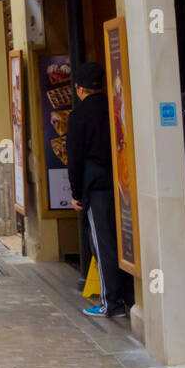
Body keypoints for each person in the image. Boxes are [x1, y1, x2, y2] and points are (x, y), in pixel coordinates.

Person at [67, 62, 135, 317]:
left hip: (96, 188)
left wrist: (75, 193)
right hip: (122, 184)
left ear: (79, 88)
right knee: (123, 242)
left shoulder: (79, 115)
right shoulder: (115, 107)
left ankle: (111, 304)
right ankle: (129, 296)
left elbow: (74, 158)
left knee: (103, 244)